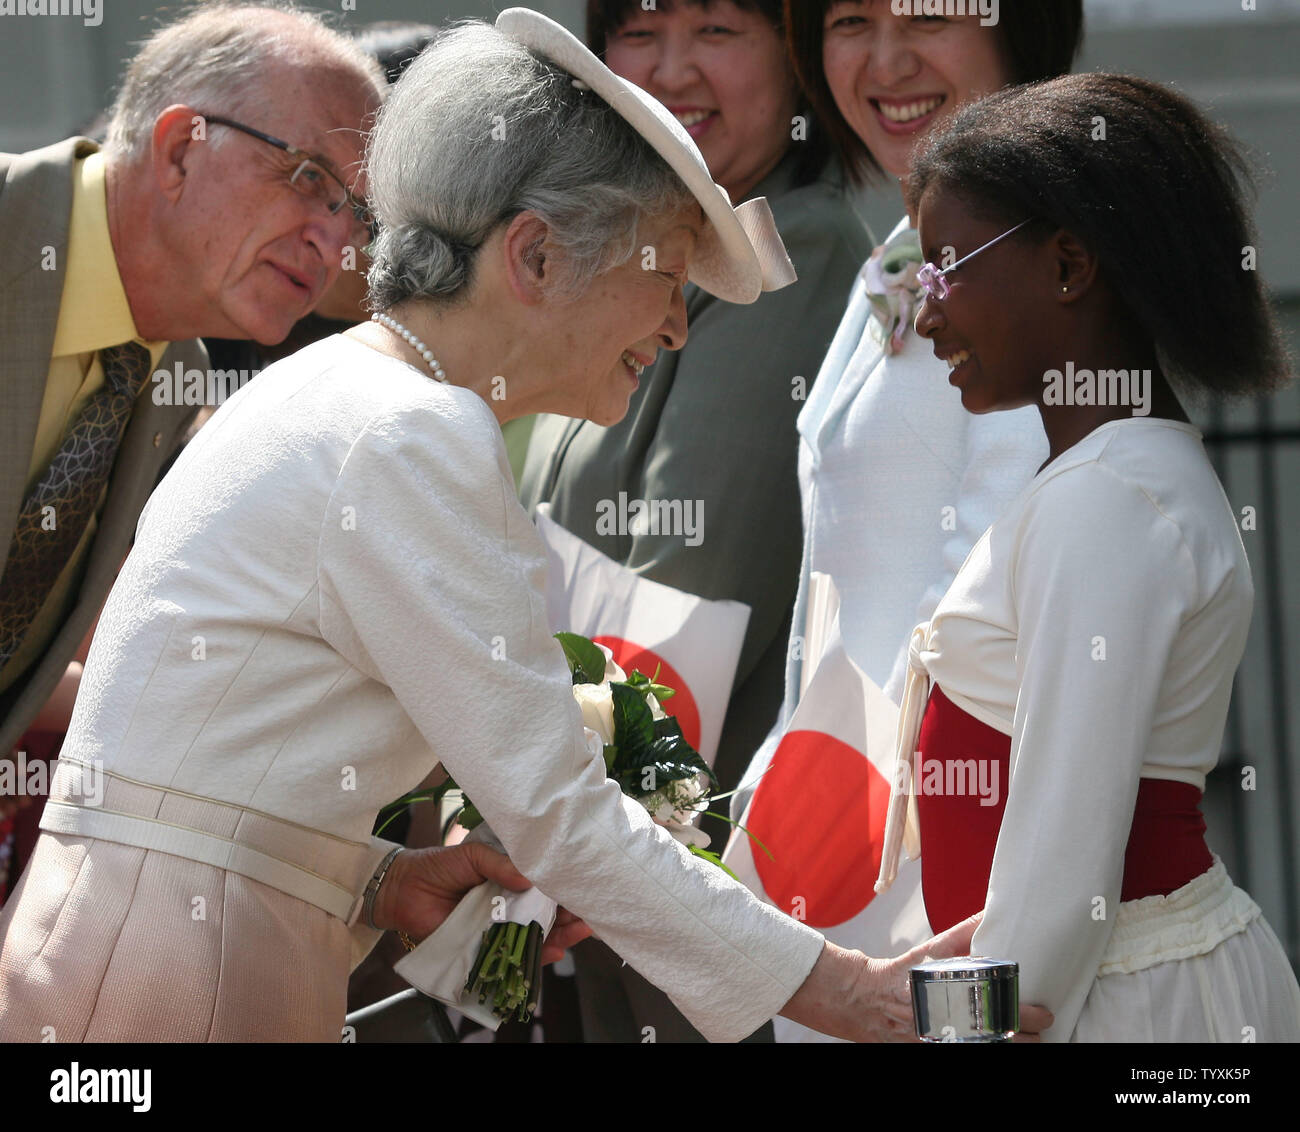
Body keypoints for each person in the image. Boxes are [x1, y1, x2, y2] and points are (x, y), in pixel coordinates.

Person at [0, 11, 1019, 1043]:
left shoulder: (347, 390)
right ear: (534, 257)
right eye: (664, 273)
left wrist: (377, 876)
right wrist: (847, 988)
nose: (673, 325)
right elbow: (558, 808)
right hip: (173, 981)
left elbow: (199, 756)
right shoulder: (408, 428)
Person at [878, 71, 1300, 1042]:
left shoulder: (1107, 498)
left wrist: (965, 1031)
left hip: (1120, 1005)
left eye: (944, 269)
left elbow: (1060, 871)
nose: (925, 313)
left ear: (1068, 266)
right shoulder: (1112, 475)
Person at [517, 0, 872, 1044]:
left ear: (797, 64)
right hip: (613, 881)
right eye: (638, 32)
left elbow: (678, 615)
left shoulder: (789, 250)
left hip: (701, 899)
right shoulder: (632, 248)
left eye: (720, 31)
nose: (672, 72)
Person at [729, 2, 1083, 971]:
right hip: (844, 834)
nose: (886, 61)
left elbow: (994, 581)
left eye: (928, 11)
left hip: (955, 861)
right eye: (848, 20)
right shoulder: (904, 245)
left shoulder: (1035, 259)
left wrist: (863, 804)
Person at [0, 3, 383, 783]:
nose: (336, 242)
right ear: (179, 150)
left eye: (357, 212)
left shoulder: (175, 377)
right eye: (310, 178)